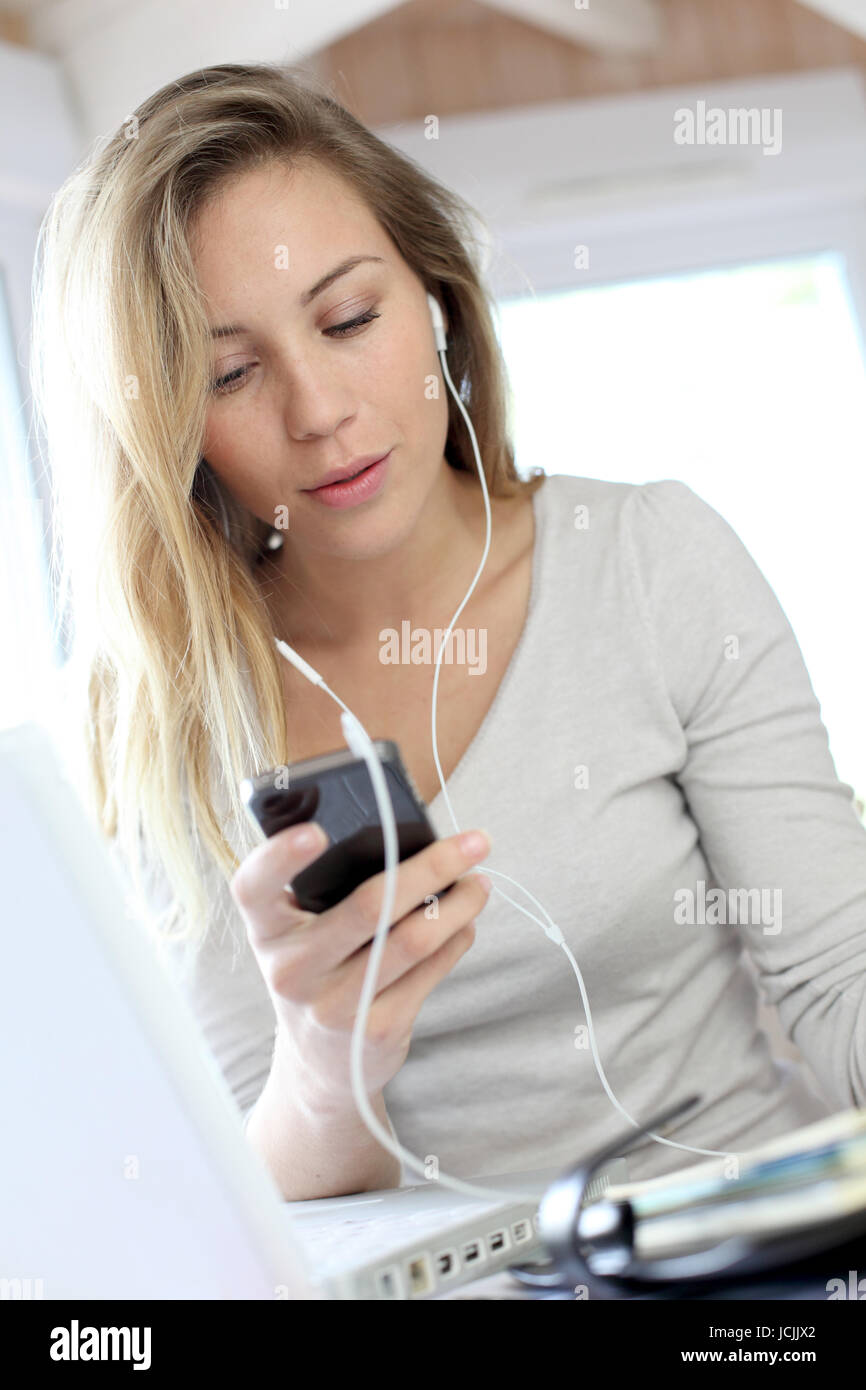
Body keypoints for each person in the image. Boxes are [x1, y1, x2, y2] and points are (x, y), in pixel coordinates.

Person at [32, 62, 866, 1205]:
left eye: (349, 318)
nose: (320, 411)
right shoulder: (154, 715)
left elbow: (833, 981)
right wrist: (327, 1068)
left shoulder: (649, 560)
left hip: (739, 1255)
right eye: (229, 372)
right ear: (166, 426)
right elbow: (259, 1189)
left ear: (432, 292)